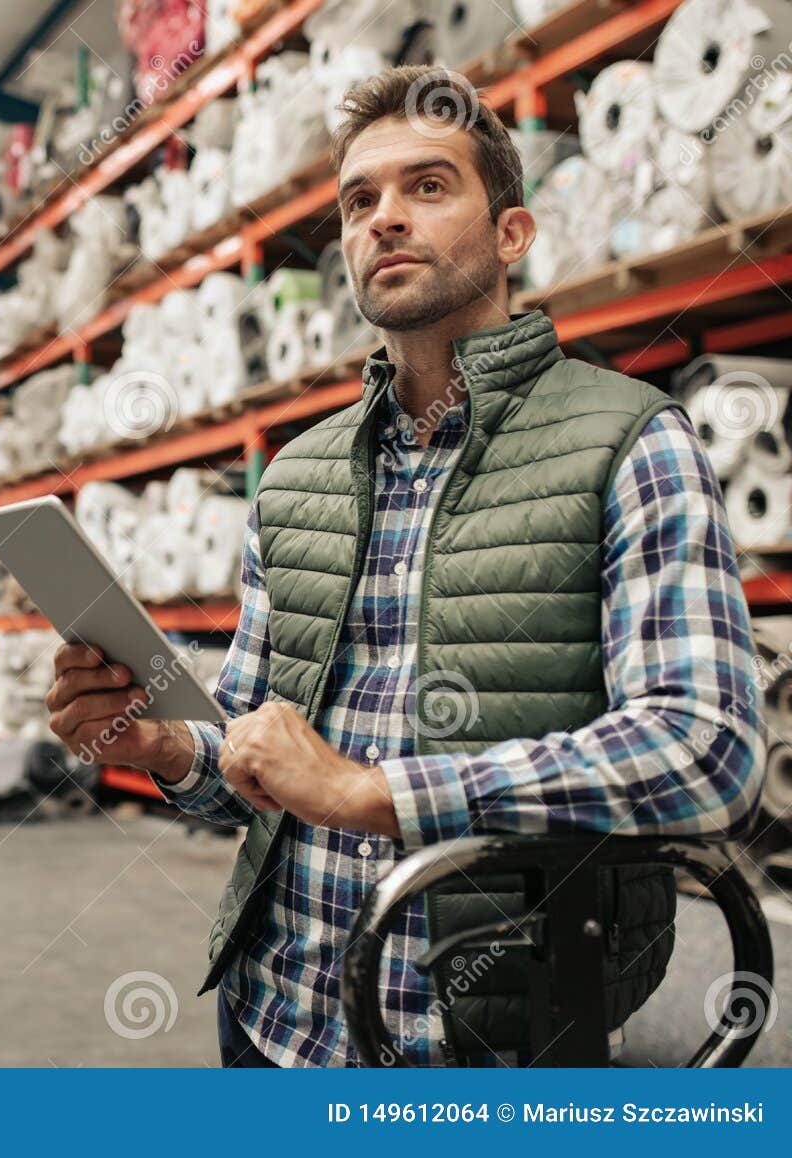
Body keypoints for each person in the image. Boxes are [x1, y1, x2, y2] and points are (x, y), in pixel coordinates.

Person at [45, 65, 765, 1067]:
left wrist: (378, 793)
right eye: (358, 200)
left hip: (484, 1041)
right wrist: (164, 747)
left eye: (427, 187)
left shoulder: (630, 442)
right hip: (272, 1018)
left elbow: (704, 751)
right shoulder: (295, 479)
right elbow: (256, 756)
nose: (384, 218)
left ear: (510, 233)